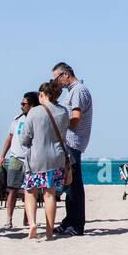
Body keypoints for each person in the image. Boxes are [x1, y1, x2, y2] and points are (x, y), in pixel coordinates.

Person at [17, 80, 70, 241]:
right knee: (50, 194)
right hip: (56, 157)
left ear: (43, 94)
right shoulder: (63, 112)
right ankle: (49, 231)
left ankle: (32, 224)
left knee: (30, 191)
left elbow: (24, 139)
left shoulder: (34, 112)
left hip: (36, 158)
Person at [51, 63, 92, 236]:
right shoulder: (73, 91)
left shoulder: (78, 91)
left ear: (65, 74)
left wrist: (60, 126)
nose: (55, 83)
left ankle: (76, 224)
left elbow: (76, 118)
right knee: (69, 184)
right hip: (70, 142)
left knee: (74, 184)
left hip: (73, 142)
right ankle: (69, 221)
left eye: (56, 79)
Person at [0, 92, 37, 230]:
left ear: (31, 105)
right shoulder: (17, 119)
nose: (21, 106)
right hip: (15, 157)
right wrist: (2, 155)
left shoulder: (36, 119)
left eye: (24, 104)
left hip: (31, 158)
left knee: (30, 189)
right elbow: (9, 137)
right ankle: (9, 219)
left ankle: (28, 219)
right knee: (12, 189)